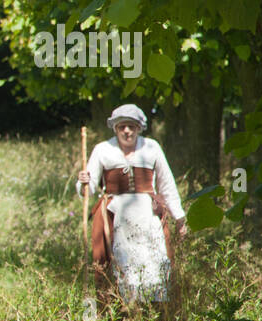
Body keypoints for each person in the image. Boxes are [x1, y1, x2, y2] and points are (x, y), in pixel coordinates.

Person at [77, 104, 187, 307]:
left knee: (152, 260)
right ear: (115, 128)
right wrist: (84, 181)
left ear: (139, 128)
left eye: (131, 126)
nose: (127, 131)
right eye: (122, 127)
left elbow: (166, 184)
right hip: (114, 215)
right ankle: (118, 311)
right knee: (115, 263)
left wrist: (179, 218)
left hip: (148, 215)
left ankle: (154, 310)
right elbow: (89, 188)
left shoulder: (152, 147)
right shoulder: (103, 149)